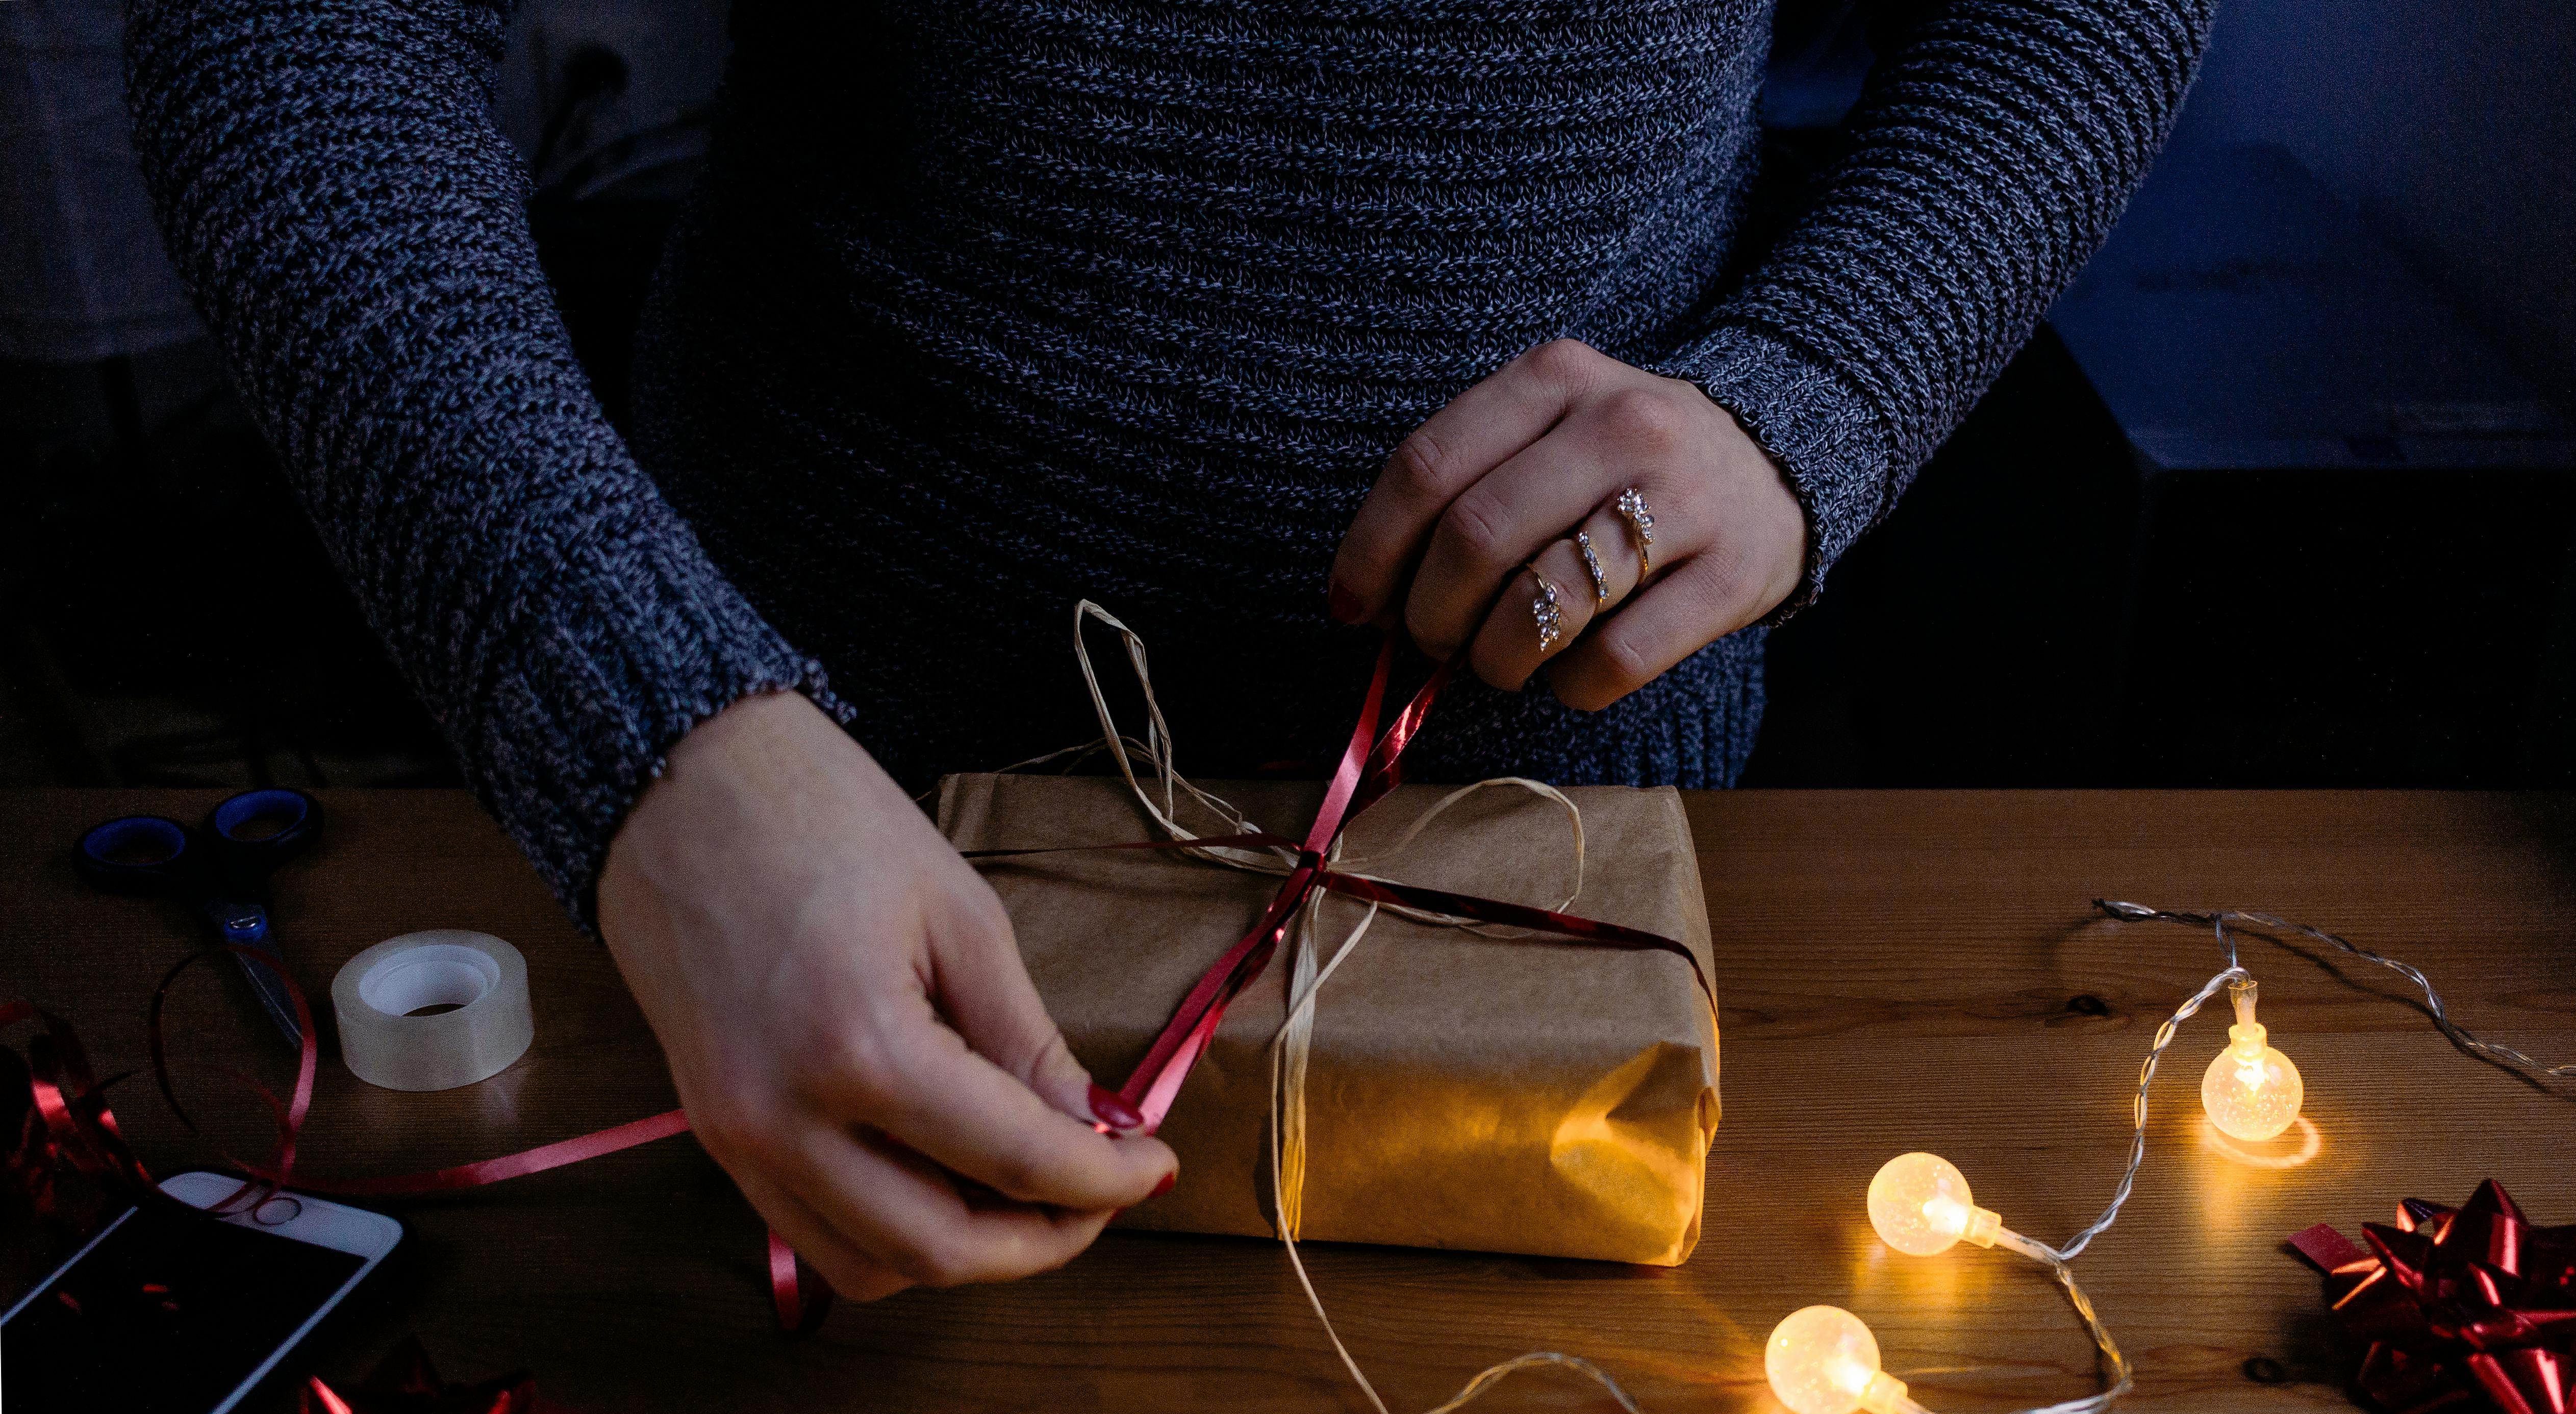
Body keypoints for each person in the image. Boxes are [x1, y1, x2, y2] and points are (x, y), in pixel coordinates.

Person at [125, 0, 2211, 1301]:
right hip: (753, 879)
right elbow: (296, 28)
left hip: (1547, 908)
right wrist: (644, 725)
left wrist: (1812, 389)